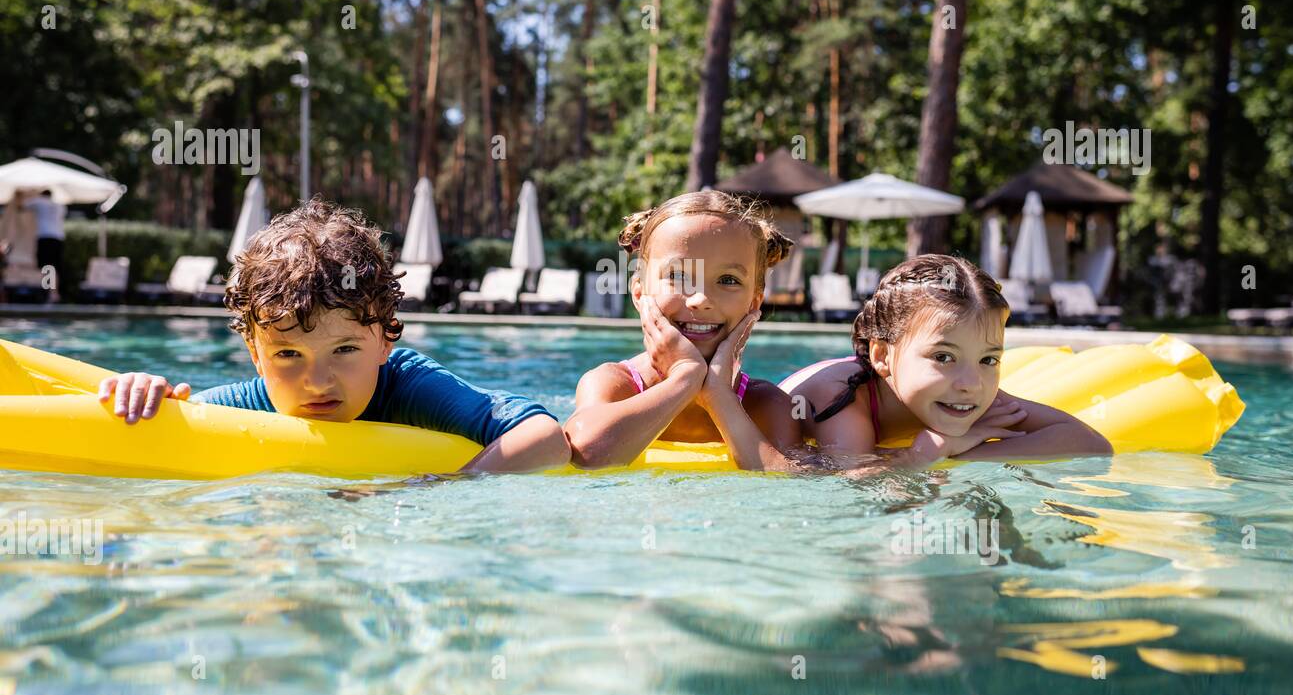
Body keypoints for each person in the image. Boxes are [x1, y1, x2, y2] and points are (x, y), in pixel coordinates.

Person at [97, 198, 570, 475]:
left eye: (344, 349)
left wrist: (450, 488)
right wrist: (145, 397)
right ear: (255, 355)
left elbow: (547, 438)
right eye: (286, 354)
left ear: (386, 339)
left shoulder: (409, 386)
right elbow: (178, 423)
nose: (317, 381)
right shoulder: (244, 403)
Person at [780, 254, 1113, 469]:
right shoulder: (842, 404)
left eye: (988, 359)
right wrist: (921, 455)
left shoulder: (966, 391)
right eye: (943, 357)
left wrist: (956, 451)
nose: (971, 383)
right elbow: (852, 491)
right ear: (882, 356)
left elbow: (1093, 445)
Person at [565, 190, 804, 471]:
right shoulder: (615, 385)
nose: (700, 299)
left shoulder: (766, 406)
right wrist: (684, 379)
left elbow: (792, 485)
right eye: (677, 276)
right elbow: (586, 455)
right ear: (640, 294)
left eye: (728, 280)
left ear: (754, 302)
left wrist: (719, 396)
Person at [24, 189, 65, 301]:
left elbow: (22, 206)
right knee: (55, 267)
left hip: (45, 237)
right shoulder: (60, 205)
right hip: (58, 238)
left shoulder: (38, 201)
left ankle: (47, 293)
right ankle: (54, 293)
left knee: (46, 266)